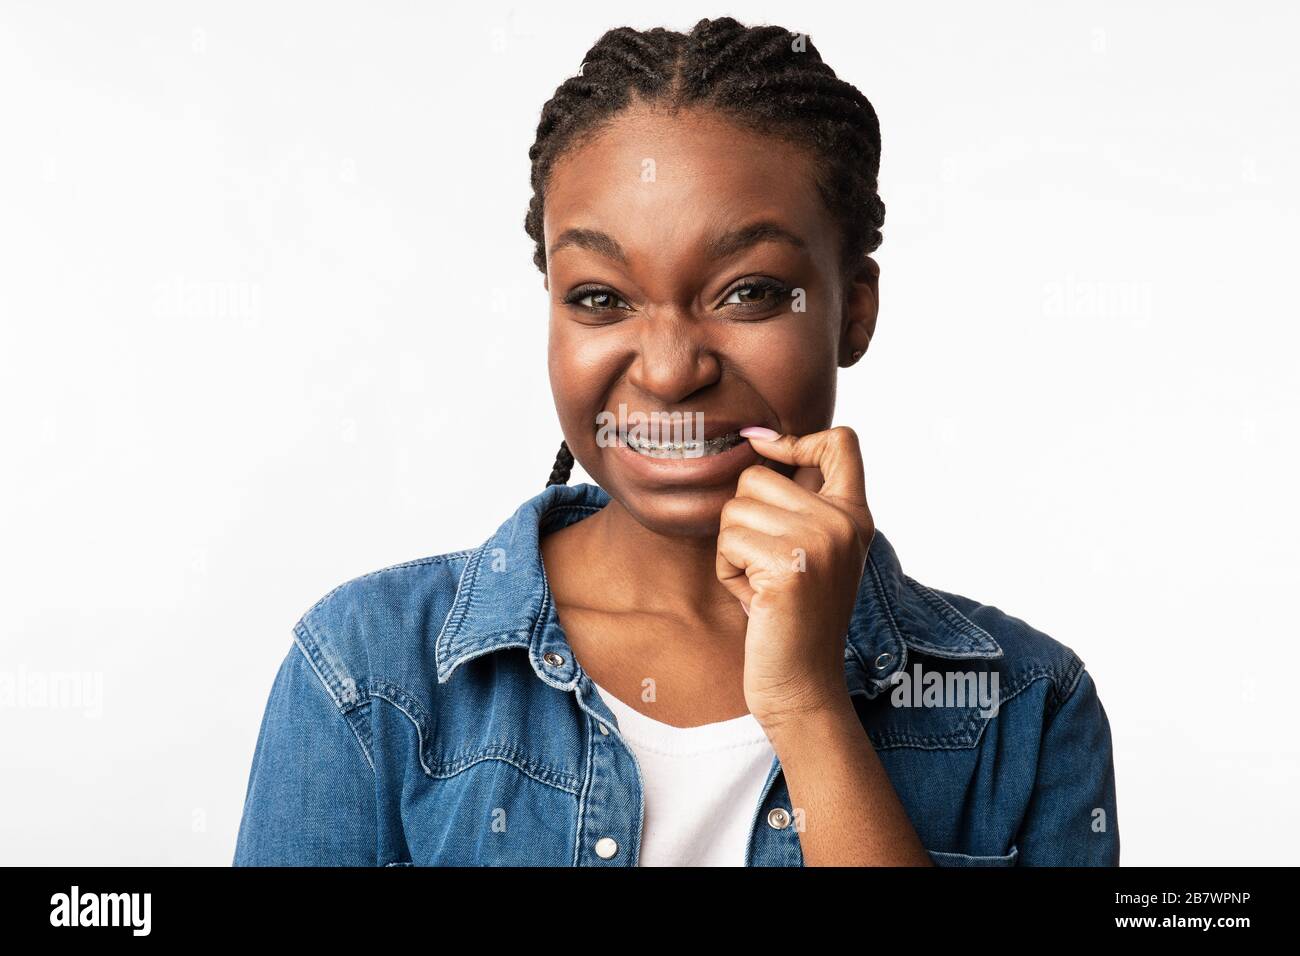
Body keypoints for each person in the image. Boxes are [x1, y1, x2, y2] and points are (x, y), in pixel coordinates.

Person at [233, 16, 1119, 867]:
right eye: (600, 297)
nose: (667, 369)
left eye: (748, 292)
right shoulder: (369, 677)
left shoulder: (1027, 710)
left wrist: (808, 703)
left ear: (853, 309)